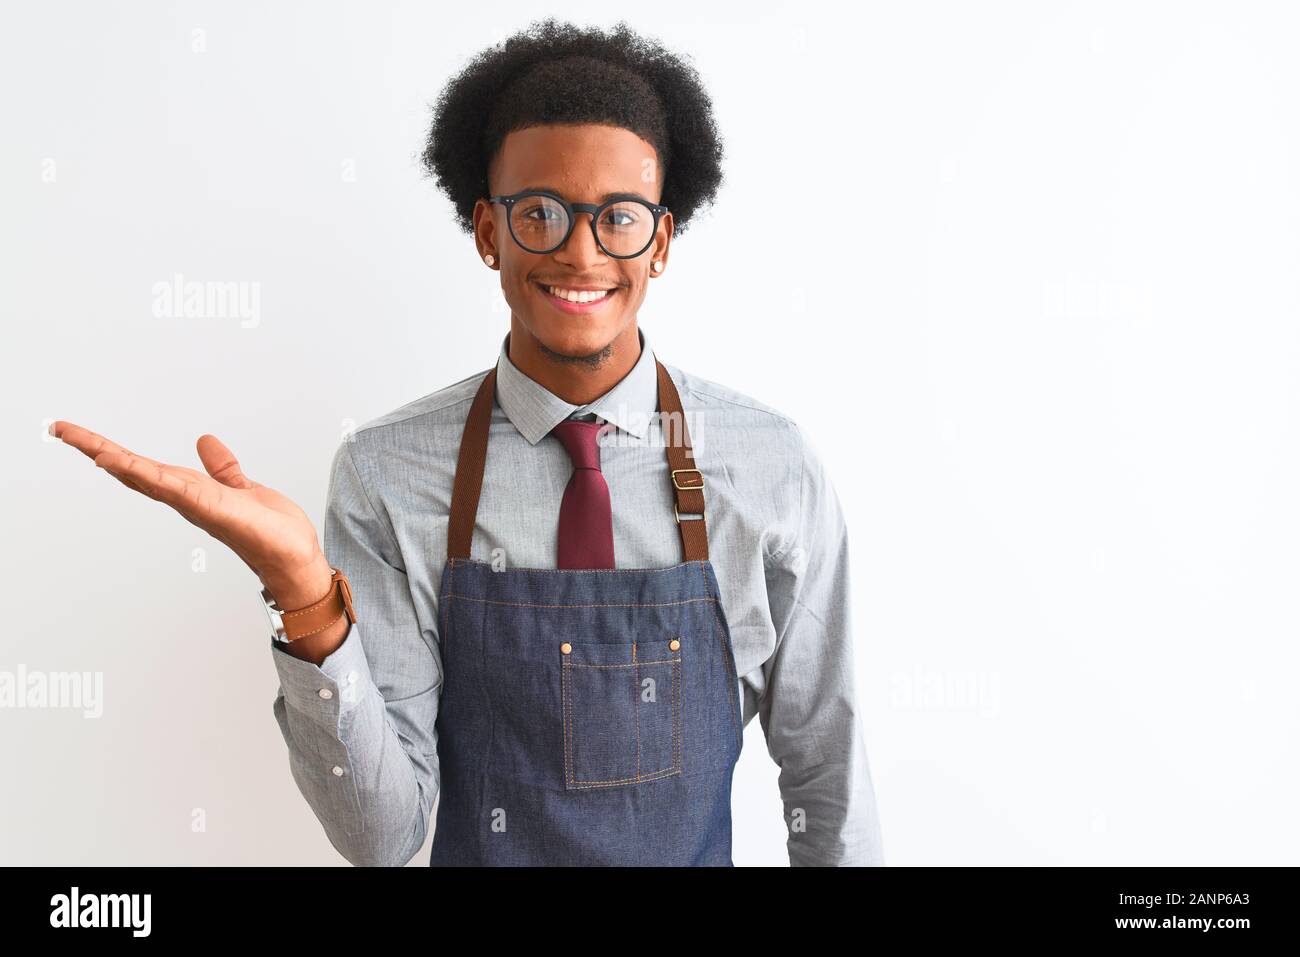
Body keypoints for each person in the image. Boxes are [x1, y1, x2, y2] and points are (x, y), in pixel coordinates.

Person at [50, 17, 884, 867]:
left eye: (620, 217)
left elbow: (830, 787)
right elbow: (384, 837)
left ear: (660, 241)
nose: (581, 250)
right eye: (541, 213)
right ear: (488, 230)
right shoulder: (387, 474)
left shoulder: (772, 467)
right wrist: (303, 594)